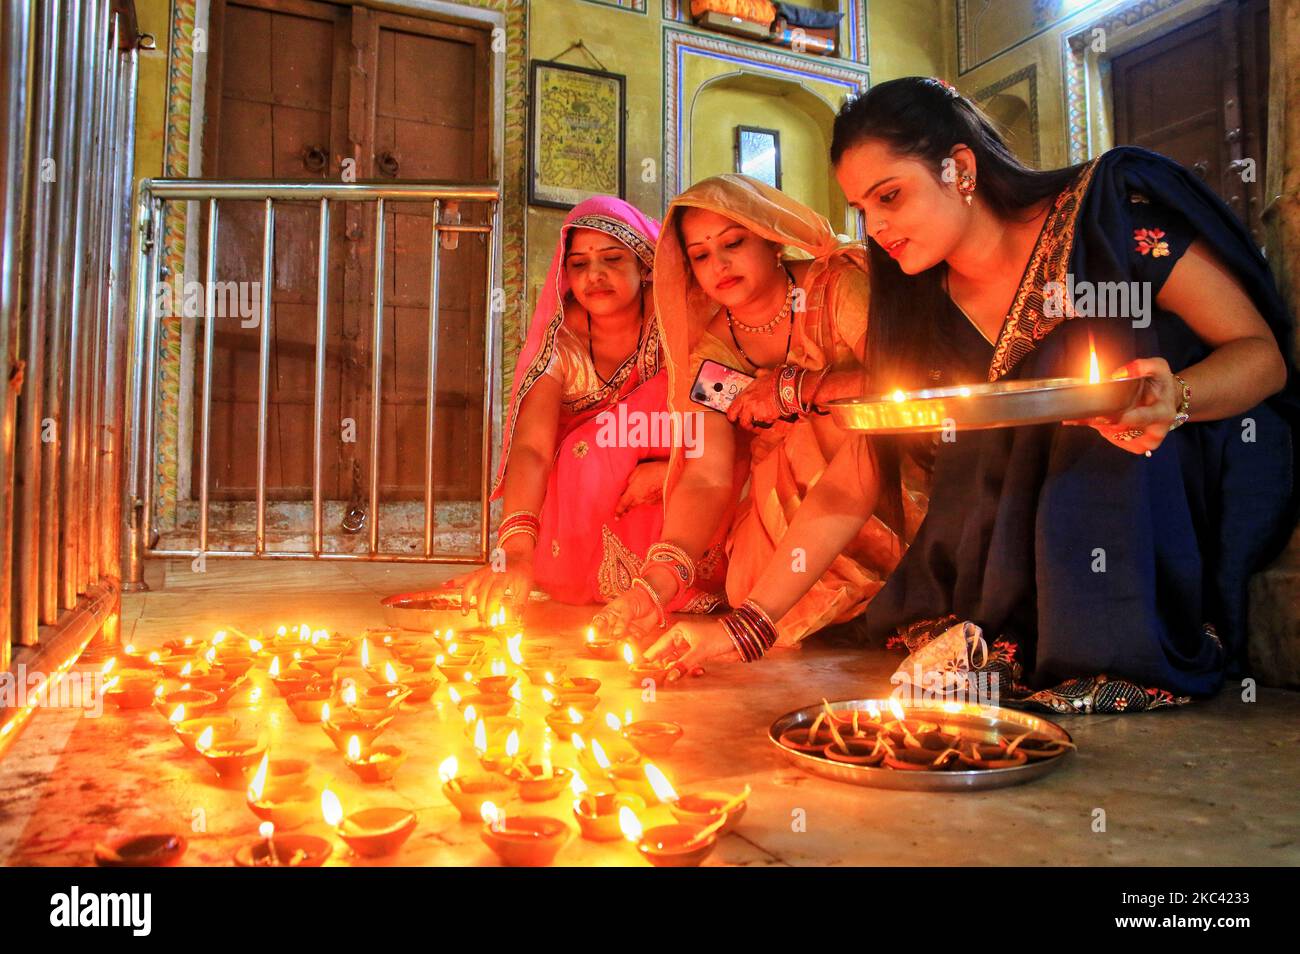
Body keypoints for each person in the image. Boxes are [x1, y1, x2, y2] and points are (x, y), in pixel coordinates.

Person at [647, 77, 1298, 713]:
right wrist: (749, 626)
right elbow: (857, 474)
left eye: (891, 196)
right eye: (863, 211)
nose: (876, 229)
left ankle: (1113, 649)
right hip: (1025, 489)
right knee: (963, 441)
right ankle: (1009, 636)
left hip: (1172, 448)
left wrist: (1173, 397)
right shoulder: (920, 301)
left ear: (959, 168)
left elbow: (1260, 358)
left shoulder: (1105, 222)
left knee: (1093, 398)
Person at [594, 174, 925, 646]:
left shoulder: (834, 287)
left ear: (772, 239)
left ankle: (893, 584)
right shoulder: (710, 355)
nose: (719, 264)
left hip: (886, 461)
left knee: (840, 420)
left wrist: (797, 389)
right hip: (796, 490)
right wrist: (654, 585)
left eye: (733, 242)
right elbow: (707, 476)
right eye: (701, 255)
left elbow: (910, 382)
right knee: (744, 584)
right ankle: (829, 603)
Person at [450, 196, 722, 619]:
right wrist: (516, 549)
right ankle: (619, 582)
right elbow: (533, 448)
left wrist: (670, 467)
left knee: (677, 401)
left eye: (612, 259)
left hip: (696, 465)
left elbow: (727, 398)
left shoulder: (683, 316)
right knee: (584, 452)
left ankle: (680, 578)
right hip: (595, 500)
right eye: (579, 264)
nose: (595, 275)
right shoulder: (560, 343)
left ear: (644, 264)